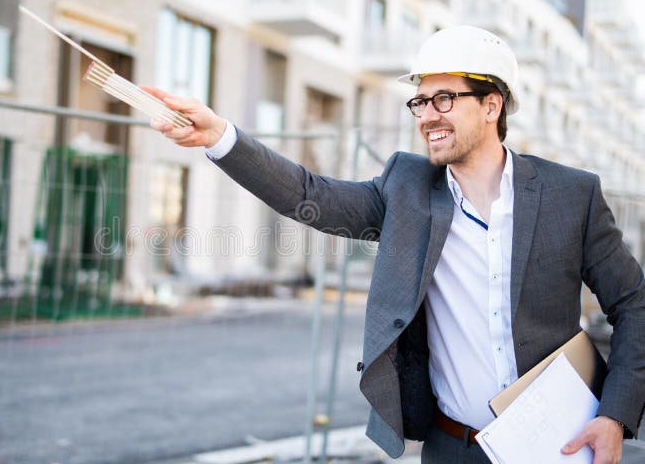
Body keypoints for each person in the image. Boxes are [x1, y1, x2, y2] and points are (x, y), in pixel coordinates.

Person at [145, 25, 645, 463]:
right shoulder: (405, 189)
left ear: (492, 104)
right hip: (452, 447)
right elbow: (307, 194)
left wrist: (616, 416)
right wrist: (220, 138)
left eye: (444, 99)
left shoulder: (571, 194)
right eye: (420, 102)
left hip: (557, 446)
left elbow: (633, 304)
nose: (428, 116)